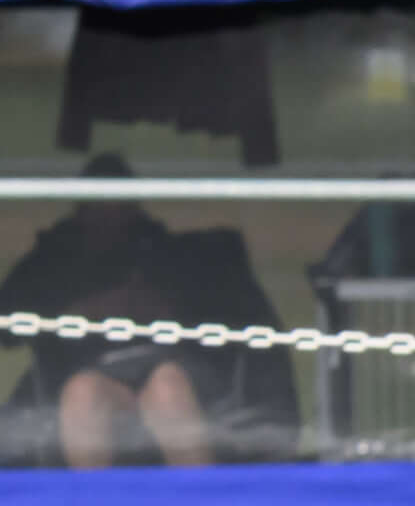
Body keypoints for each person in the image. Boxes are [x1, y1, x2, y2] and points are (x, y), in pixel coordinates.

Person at [0, 159, 293, 468]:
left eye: (119, 204)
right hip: (88, 368)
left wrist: (163, 308)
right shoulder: (50, 260)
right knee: (82, 393)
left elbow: (229, 318)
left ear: (135, 205)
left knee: (168, 389)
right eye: (98, 206)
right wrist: (78, 313)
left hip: (174, 362)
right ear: (81, 210)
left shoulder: (171, 251)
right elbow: (7, 326)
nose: (110, 217)